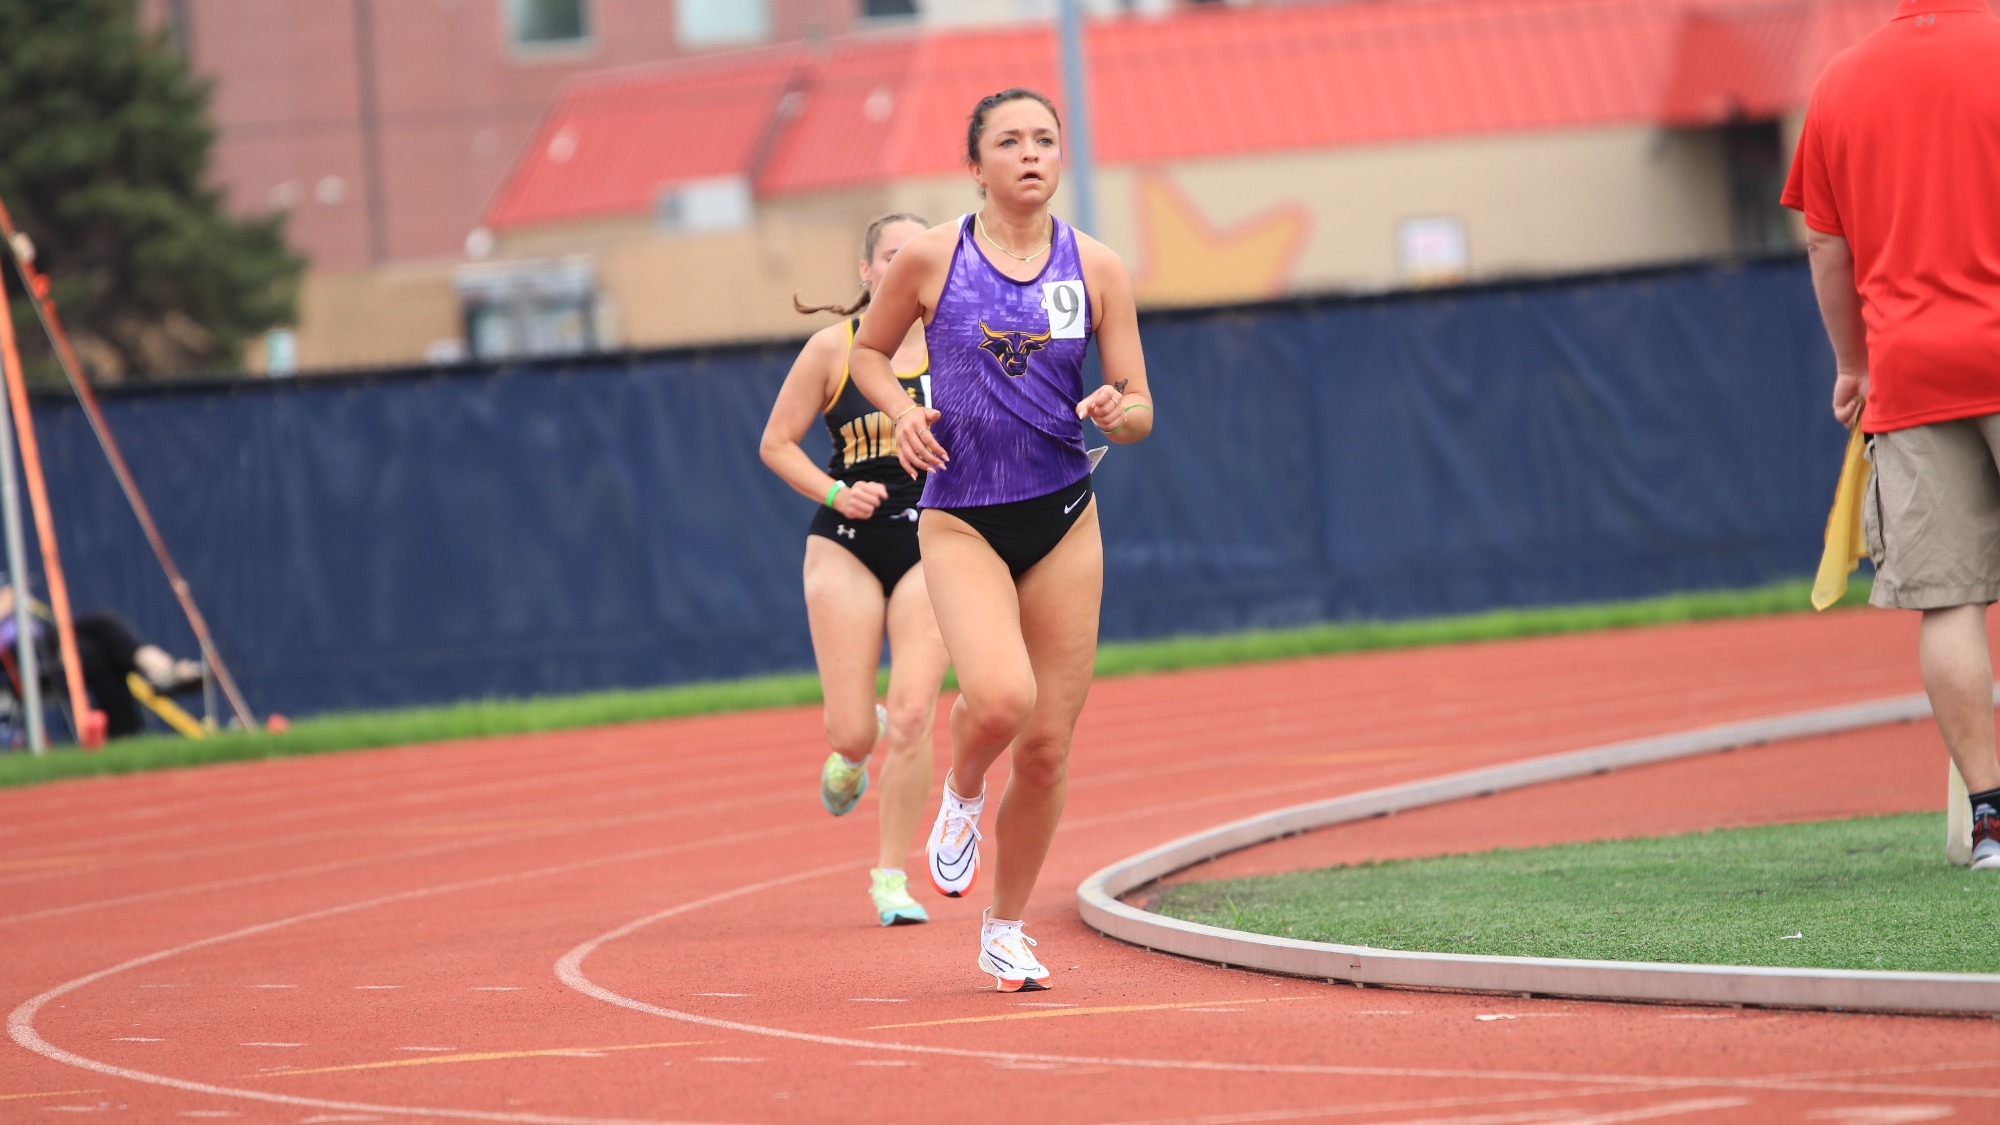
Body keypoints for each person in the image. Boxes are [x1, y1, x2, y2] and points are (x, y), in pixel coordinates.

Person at [847, 88, 1155, 991]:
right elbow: (870, 353)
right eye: (1010, 141)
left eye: (1046, 140)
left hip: (1063, 515)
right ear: (973, 163)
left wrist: (1116, 407)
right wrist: (903, 413)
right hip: (962, 515)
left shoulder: (1096, 266)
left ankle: (1006, 929)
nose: (1031, 154)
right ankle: (961, 791)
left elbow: (1137, 406)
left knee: (1051, 745)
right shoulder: (934, 257)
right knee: (997, 699)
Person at [1782, 0, 2000, 869]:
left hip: (1910, 369)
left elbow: (1826, 248)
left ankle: (1991, 823)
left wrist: (1854, 364)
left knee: (1948, 600)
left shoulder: (1838, 86)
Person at [758, 214, 954, 926]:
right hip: (846, 537)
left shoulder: (958, 347)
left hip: (933, 537)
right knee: (855, 733)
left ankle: (890, 877)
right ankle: (849, 748)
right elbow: (776, 443)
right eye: (893, 257)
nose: (907, 268)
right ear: (870, 272)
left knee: (912, 712)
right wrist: (837, 490)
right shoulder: (831, 350)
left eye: (920, 256)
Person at [0, 585, 201, 741]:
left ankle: (158, 669)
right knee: (96, 654)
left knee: (100, 624)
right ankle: (158, 672)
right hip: (20, 662)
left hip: (44, 640)